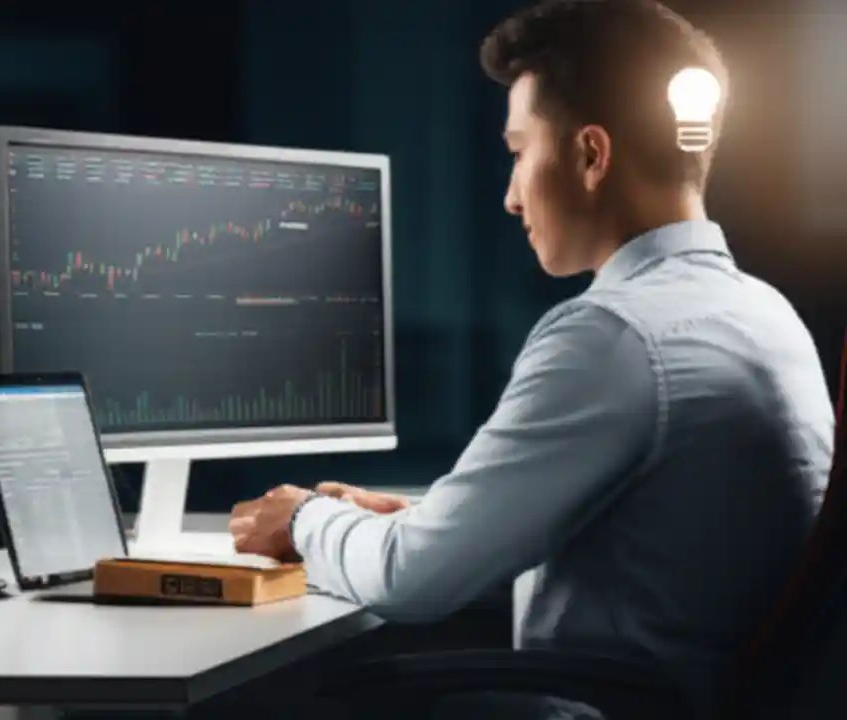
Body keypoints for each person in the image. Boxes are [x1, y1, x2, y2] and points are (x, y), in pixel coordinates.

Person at [228, 0, 834, 717]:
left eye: (519, 152)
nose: (513, 197)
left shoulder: (612, 335)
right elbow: (655, 551)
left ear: (589, 155)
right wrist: (431, 523)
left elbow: (406, 581)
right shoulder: (765, 312)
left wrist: (302, 521)